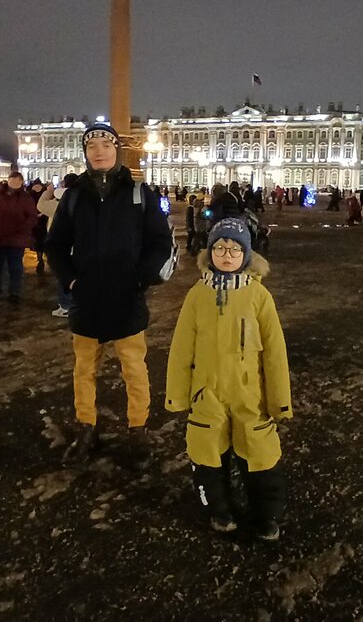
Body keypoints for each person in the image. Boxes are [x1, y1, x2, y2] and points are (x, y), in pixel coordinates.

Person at [45, 123, 172, 470]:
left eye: (105, 145)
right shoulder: (73, 197)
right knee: (84, 369)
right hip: (86, 299)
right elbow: (55, 246)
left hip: (126, 298)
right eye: (92, 147)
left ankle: (137, 430)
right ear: (85, 154)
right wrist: (71, 281)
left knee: (134, 368)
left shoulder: (140, 193)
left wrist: (141, 279)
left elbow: (160, 242)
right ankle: (86, 428)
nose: (98, 152)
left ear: (117, 149)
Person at [165, 217, 291, 540]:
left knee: (261, 458)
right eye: (220, 247)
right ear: (210, 252)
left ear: (246, 255)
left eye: (235, 248)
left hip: (251, 394)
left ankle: (267, 518)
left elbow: (275, 353)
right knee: (207, 456)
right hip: (207, 393)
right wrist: (178, 395)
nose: (227, 254)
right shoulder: (197, 295)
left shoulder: (259, 297)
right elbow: (182, 348)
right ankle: (219, 511)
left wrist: (279, 401)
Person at [0, 171, 38, 303]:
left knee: (15, 268)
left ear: (21, 182)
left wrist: (21, 228)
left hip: (15, 239)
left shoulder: (25, 198)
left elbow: (32, 217)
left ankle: (14, 292)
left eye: (16, 181)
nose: (13, 183)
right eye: (11, 180)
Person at [37, 174, 78, 317]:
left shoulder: (59, 203)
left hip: (63, 246)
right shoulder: (82, 200)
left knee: (63, 275)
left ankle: (66, 305)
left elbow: (40, 205)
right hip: (79, 245)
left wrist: (48, 191)